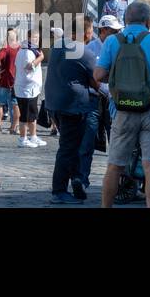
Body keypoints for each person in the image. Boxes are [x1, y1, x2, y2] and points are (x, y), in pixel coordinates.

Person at [94, 0, 150, 208]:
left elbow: (99, 74)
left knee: (115, 165)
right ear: (148, 21)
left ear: (125, 20)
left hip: (122, 109)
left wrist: (116, 78)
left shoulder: (113, 41)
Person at [46, 26, 97, 204]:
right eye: (90, 32)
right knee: (68, 148)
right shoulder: (84, 51)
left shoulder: (57, 47)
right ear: (84, 33)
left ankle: (76, 178)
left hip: (55, 103)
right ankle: (59, 190)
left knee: (72, 145)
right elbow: (97, 79)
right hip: (73, 105)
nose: (91, 36)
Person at [14, 29, 46, 148]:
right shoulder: (26, 51)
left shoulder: (32, 50)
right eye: (34, 37)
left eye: (37, 37)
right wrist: (40, 58)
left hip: (32, 88)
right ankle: (23, 138)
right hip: (25, 88)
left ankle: (33, 136)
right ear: (28, 38)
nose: (36, 40)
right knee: (25, 115)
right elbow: (28, 67)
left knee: (33, 114)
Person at [0, 28, 20, 134]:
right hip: (17, 81)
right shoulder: (20, 48)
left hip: (4, 80)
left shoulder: (5, 48)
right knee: (15, 104)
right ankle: (14, 127)